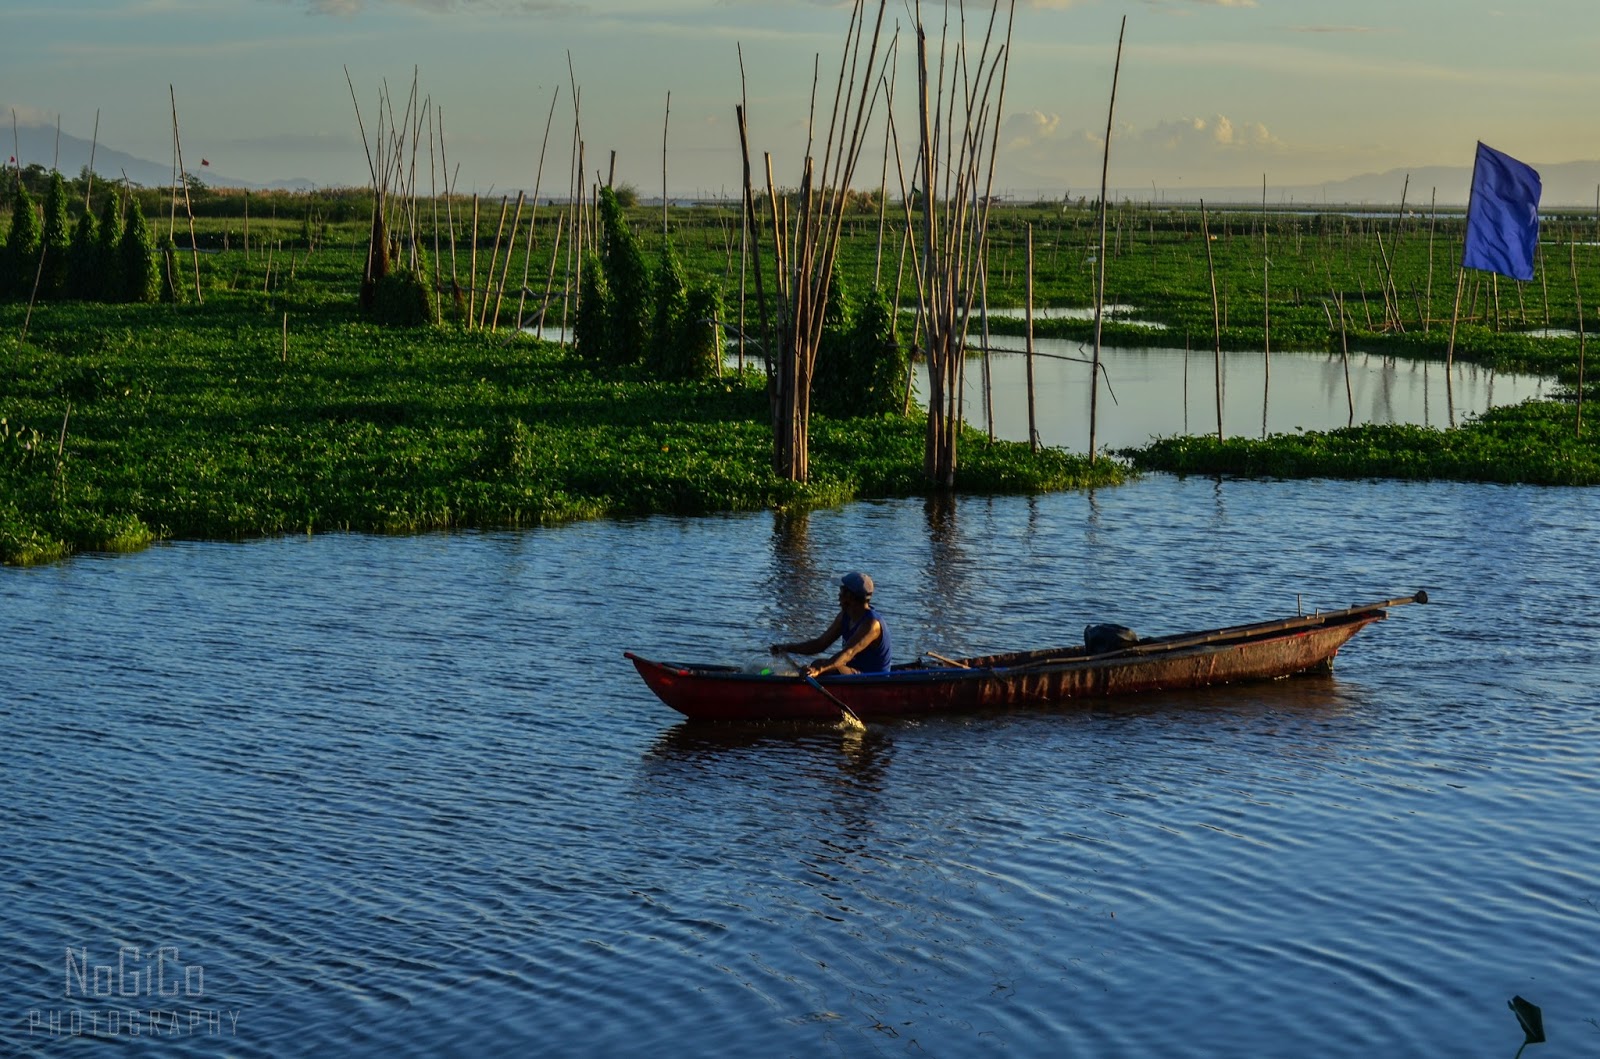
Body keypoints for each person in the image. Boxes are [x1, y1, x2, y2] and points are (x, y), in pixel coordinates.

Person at [770, 572, 893, 677]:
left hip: (871, 676)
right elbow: (820, 644)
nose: (838, 595)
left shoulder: (871, 624)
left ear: (849, 596)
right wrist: (786, 648)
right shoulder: (844, 616)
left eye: (841, 591)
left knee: (820, 665)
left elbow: (848, 653)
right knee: (820, 664)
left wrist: (818, 670)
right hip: (853, 672)